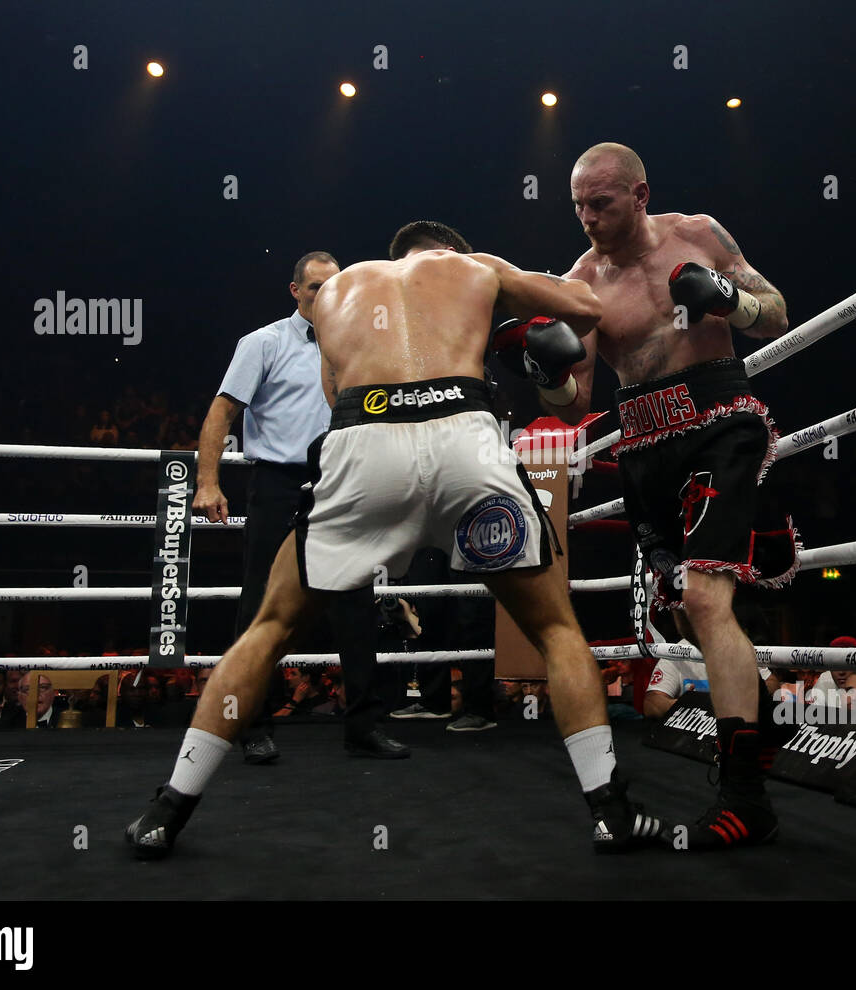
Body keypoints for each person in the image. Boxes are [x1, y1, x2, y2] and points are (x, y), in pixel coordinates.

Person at [126, 220, 671, 858]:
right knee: (555, 629)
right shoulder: (475, 268)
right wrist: (519, 329)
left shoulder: (337, 292)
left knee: (268, 628)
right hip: (466, 439)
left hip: (364, 443)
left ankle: (168, 809)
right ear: (448, 252)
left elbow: (333, 395)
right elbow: (586, 306)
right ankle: (610, 810)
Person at [544, 142, 793, 849]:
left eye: (603, 203)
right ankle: (765, 729)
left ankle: (747, 796)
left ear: (640, 194)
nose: (588, 219)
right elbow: (573, 403)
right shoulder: (581, 284)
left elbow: (775, 313)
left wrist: (729, 300)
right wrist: (545, 370)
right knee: (685, 614)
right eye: (579, 206)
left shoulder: (700, 234)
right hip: (646, 447)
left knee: (711, 599)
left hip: (720, 423)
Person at [193, 250, 407, 763]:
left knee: (355, 605)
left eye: (333, 287)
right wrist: (207, 482)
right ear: (296, 292)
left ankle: (363, 727)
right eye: (314, 288)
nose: (325, 296)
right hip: (276, 485)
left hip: (339, 484)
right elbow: (222, 412)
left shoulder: (356, 344)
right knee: (262, 606)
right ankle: (253, 726)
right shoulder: (263, 343)